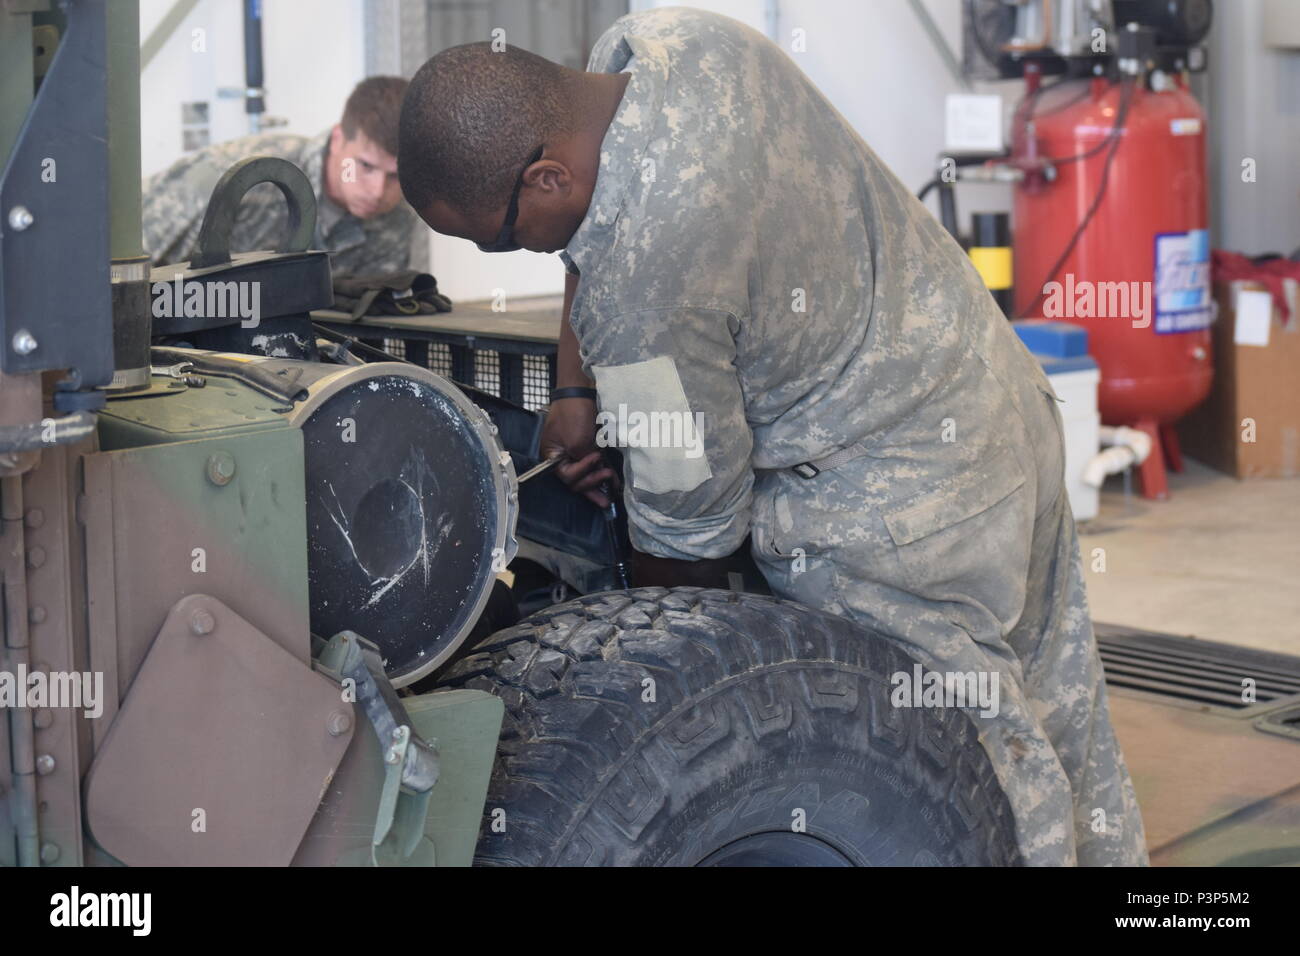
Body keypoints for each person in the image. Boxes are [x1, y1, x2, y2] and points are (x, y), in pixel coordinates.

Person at [396, 7, 1147, 866]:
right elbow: (593, 239)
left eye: (495, 237)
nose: (504, 255)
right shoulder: (662, 42)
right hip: (997, 397)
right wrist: (574, 384)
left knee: (965, 753)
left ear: (546, 179)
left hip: (905, 505)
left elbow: (687, 549)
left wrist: (653, 674)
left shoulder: (649, 291)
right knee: (1060, 699)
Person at [143, 76, 415, 274]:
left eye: (394, 176)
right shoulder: (237, 177)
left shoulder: (396, 214)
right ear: (337, 139)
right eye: (365, 166)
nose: (378, 190)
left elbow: (366, 316)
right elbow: (121, 271)